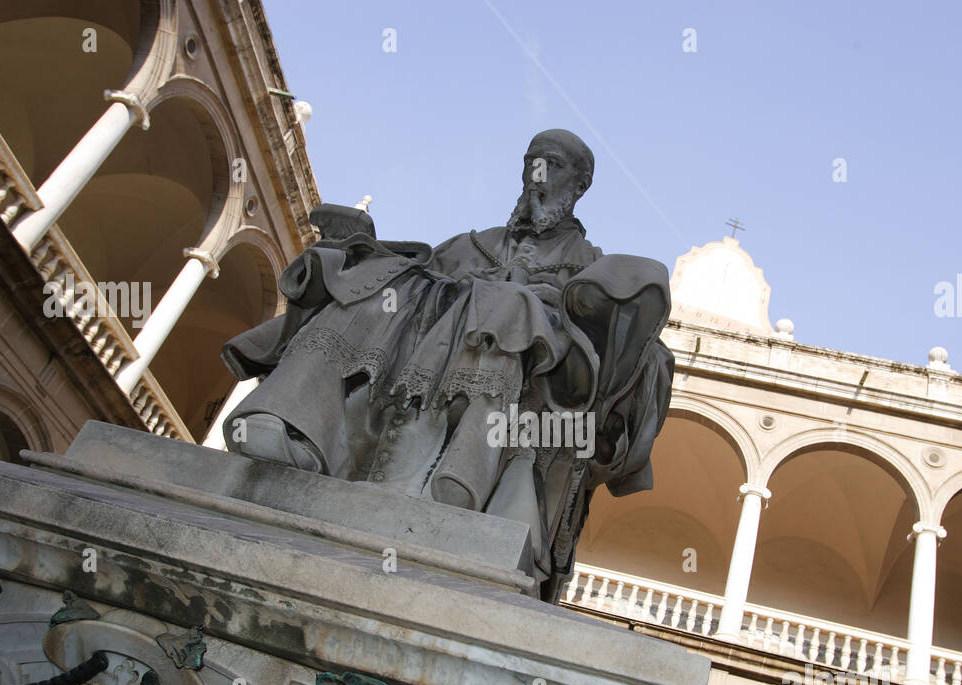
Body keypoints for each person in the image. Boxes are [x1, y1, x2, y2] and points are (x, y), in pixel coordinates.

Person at [220, 130, 673, 601]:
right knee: (381, 283)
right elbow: (423, 276)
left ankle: (461, 477)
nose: (536, 174)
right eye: (531, 161)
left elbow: (621, 341)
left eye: (552, 165)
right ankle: (296, 429)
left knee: (510, 309)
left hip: (534, 368)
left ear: (579, 187)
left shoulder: (592, 267)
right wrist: (359, 250)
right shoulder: (470, 246)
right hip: (425, 341)